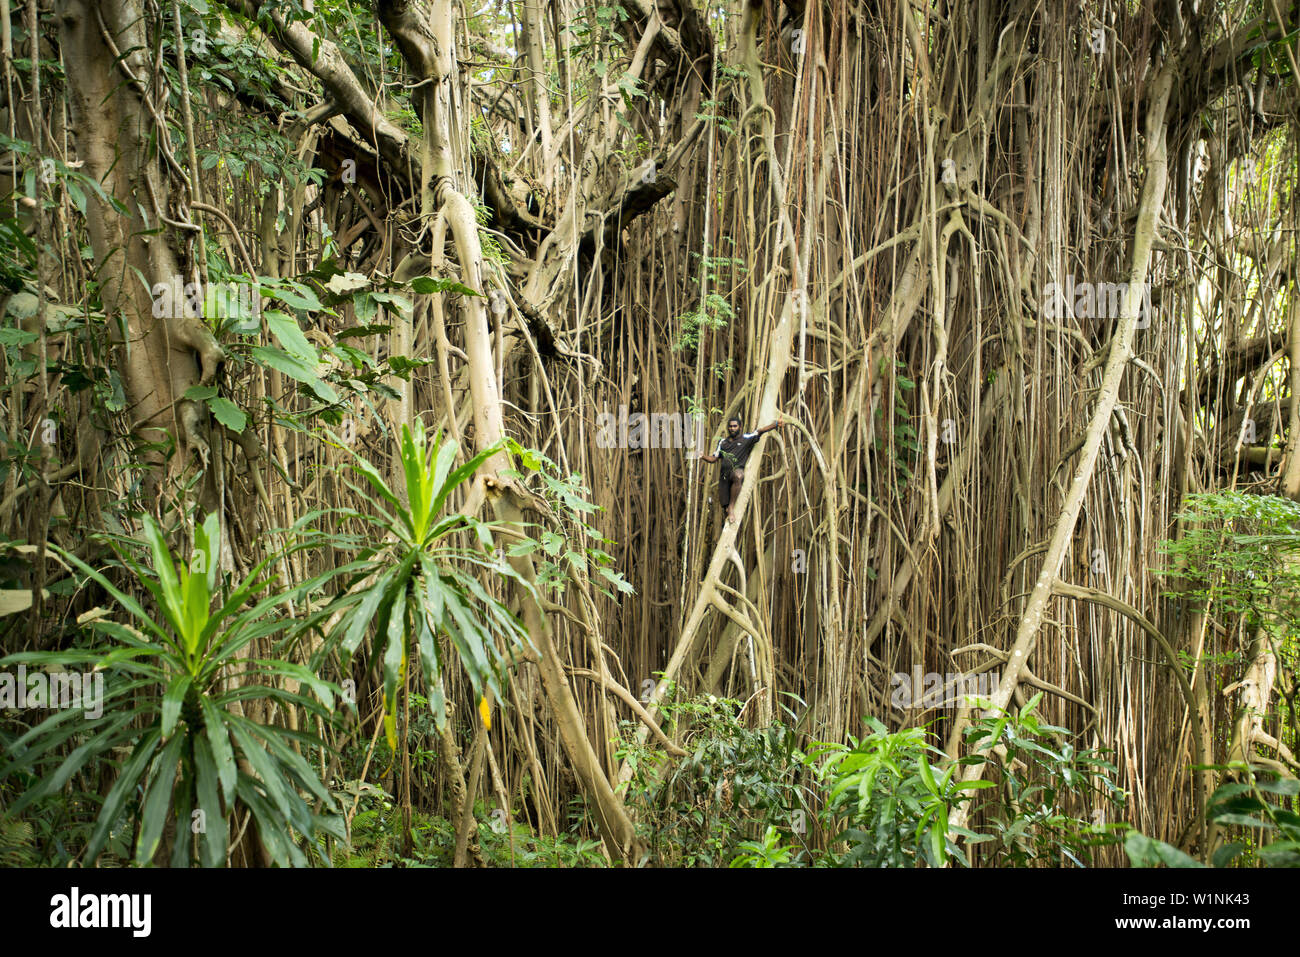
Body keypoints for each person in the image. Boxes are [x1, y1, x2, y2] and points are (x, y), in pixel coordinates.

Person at [700, 415, 783, 523]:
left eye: (735, 426)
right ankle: (728, 515)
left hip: (736, 471)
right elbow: (713, 458)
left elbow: (760, 431)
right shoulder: (723, 442)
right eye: (730, 426)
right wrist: (702, 456)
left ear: (740, 427)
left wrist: (776, 424)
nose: (732, 428)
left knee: (738, 476)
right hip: (724, 477)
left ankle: (731, 508)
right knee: (724, 505)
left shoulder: (746, 439)